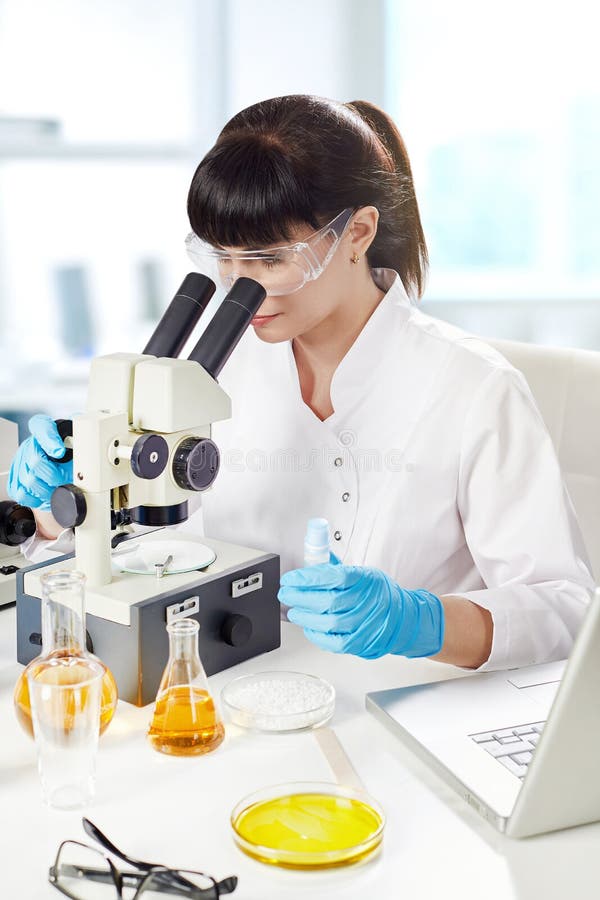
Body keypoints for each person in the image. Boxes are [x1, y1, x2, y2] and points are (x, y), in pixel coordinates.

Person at [9, 95, 594, 670]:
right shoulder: (216, 372)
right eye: (224, 259)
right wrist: (67, 501)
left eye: (268, 260)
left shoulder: (473, 388)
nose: (243, 287)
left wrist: (421, 621)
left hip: (410, 704)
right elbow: (153, 547)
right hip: (240, 686)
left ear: (359, 232)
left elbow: (566, 610)